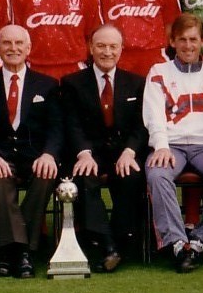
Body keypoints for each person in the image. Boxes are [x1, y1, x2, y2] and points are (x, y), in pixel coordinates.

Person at [143, 13, 203, 272]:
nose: (188, 46)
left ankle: (199, 241)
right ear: (172, 41)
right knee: (157, 175)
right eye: (182, 40)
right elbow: (153, 114)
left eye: (193, 39)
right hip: (170, 145)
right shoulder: (158, 72)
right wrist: (160, 145)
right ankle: (176, 242)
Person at [0, 25, 64, 279]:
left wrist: (49, 155)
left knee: (46, 173)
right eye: (7, 43)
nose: (13, 48)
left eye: (19, 43)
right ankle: (21, 253)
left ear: (28, 48)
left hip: (34, 155)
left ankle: (12, 251)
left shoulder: (47, 85)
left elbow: (56, 128)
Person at [61, 24, 148, 272]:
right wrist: (84, 153)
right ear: (90, 48)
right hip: (89, 152)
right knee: (84, 176)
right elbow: (72, 124)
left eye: (113, 46)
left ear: (122, 49)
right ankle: (107, 244)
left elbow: (142, 126)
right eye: (101, 46)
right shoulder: (72, 83)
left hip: (124, 151)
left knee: (131, 175)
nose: (107, 52)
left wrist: (130, 151)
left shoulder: (137, 83)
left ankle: (123, 241)